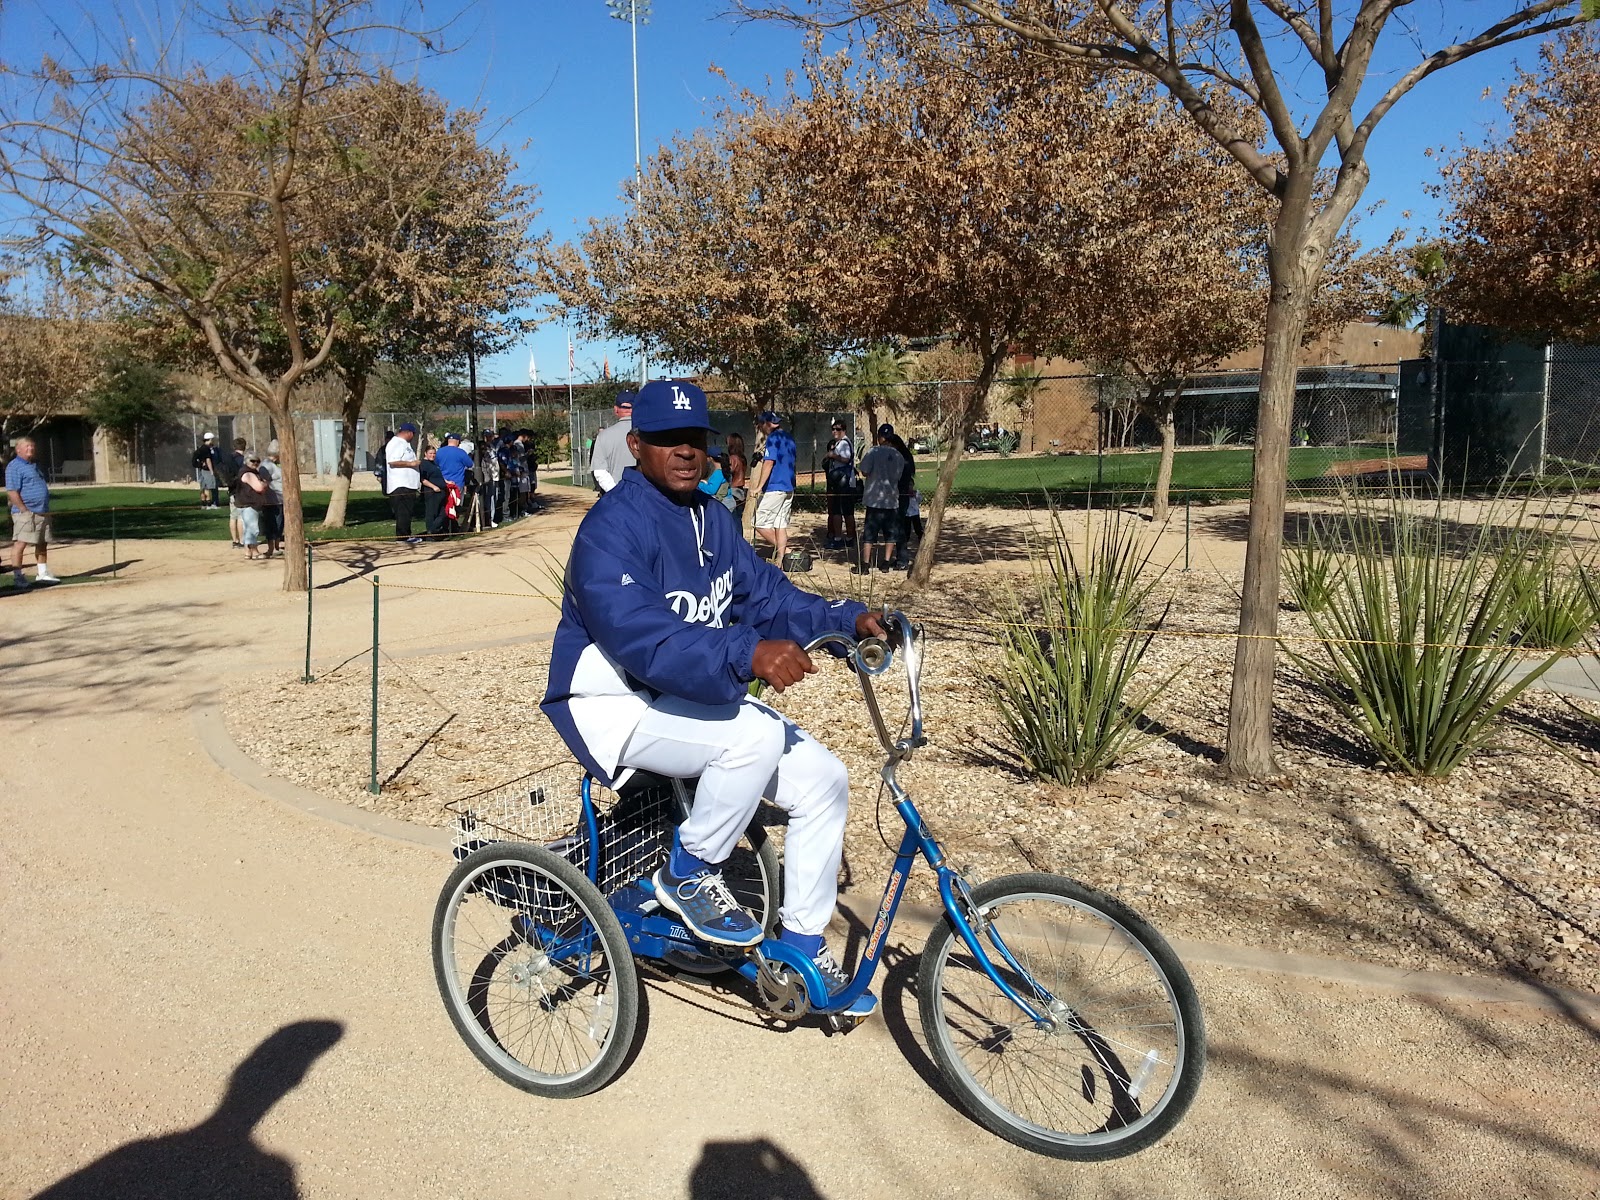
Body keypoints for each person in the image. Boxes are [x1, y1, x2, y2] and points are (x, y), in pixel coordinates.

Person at [541, 379, 888, 1010]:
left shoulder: (712, 517)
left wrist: (846, 619)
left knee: (824, 779)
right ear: (636, 445)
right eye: (667, 439)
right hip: (611, 702)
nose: (684, 451)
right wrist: (745, 653)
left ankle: (799, 952)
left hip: (682, 692)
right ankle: (689, 871)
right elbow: (643, 637)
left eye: (693, 439)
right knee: (753, 736)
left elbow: (768, 597)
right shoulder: (610, 527)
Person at [6, 437, 58, 588]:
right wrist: (24, 510)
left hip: (42, 511)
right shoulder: (14, 467)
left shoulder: (34, 464)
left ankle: (42, 573)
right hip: (25, 513)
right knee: (20, 543)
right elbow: (12, 491)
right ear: (18, 450)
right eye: (27, 446)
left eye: (32, 446)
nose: (31, 449)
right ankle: (18, 577)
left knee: (42, 543)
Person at [856, 423, 907, 574]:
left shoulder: (873, 452)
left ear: (879, 437)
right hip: (891, 500)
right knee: (890, 533)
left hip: (874, 500)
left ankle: (865, 564)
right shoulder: (898, 455)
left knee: (869, 533)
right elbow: (899, 476)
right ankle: (886, 562)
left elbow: (864, 471)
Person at [751, 410, 796, 565]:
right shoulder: (789, 437)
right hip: (788, 486)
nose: (760, 427)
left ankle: (787, 551)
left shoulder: (773, 439)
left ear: (768, 424)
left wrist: (758, 487)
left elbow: (769, 463)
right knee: (780, 524)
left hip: (775, 487)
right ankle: (781, 559)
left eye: (761, 424)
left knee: (758, 523)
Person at [822, 419, 858, 551]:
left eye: (838, 429)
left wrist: (833, 456)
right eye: (833, 429)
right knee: (841, 511)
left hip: (844, 482)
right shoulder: (839, 443)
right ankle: (845, 537)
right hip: (840, 482)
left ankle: (842, 538)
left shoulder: (844, 443)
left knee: (842, 511)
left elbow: (846, 459)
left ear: (844, 430)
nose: (835, 431)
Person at [589, 392, 636, 492]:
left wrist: (616, 492)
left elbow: (600, 472)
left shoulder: (603, 436)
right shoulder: (649, 433)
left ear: (616, 409)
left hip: (617, 494)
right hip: (646, 495)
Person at [384, 422, 422, 544]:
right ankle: (402, 537)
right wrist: (411, 463)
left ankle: (406, 535)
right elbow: (392, 461)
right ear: (408, 433)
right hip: (401, 485)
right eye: (413, 434)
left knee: (407, 511)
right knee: (403, 511)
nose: (413, 437)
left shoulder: (404, 444)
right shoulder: (397, 443)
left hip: (408, 484)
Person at [232, 452, 272, 561]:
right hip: (249, 504)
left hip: (246, 504)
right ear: (246, 461)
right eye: (252, 461)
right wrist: (264, 484)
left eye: (257, 461)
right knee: (252, 528)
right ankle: (254, 552)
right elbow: (259, 487)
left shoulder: (250, 472)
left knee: (247, 528)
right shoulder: (248, 473)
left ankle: (247, 552)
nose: (255, 463)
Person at [435, 432, 472, 535]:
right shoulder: (461, 452)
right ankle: (453, 527)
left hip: (443, 483)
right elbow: (470, 464)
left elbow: (435, 464)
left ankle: (445, 526)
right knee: (456, 505)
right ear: (457, 441)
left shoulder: (439, 452)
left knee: (445, 505)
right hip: (457, 483)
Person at [259, 441, 286, 557]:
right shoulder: (267, 465)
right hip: (271, 500)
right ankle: (271, 548)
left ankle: (276, 546)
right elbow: (263, 480)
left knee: (279, 524)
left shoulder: (275, 465)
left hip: (279, 499)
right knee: (272, 524)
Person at [223, 437, 248, 548]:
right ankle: (242, 540)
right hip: (241, 490)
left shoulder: (229, 459)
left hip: (232, 489)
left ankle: (235, 540)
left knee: (233, 516)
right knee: (241, 516)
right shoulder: (243, 460)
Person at [419, 445, 448, 536]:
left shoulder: (434, 464)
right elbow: (423, 479)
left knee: (443, 513)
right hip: (432, 492)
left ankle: (434, 530)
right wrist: (433, 487)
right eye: (430, 453)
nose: (432, 455)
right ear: (425, 453)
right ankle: (431, 532)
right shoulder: (423, 464)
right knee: (432, 513)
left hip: (441, 492)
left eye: (434, 453)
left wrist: (447, 482)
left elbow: (438, 477)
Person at [724, 432, 749, 522]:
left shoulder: (733, 458)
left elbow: (728, 472)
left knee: (731, 519)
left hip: (733, 490)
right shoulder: (742, 458)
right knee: (738, 519)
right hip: (740, 490)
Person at [191, 432, 221, 508]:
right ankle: (212, 503)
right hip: (207, 470)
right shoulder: (206, 449)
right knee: (211, 486)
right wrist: (211, 471)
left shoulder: (201, 448)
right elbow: (208, 460)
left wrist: (200, 465)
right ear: (210, 439)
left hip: (201, 470)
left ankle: (204, 504)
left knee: (203, 487)